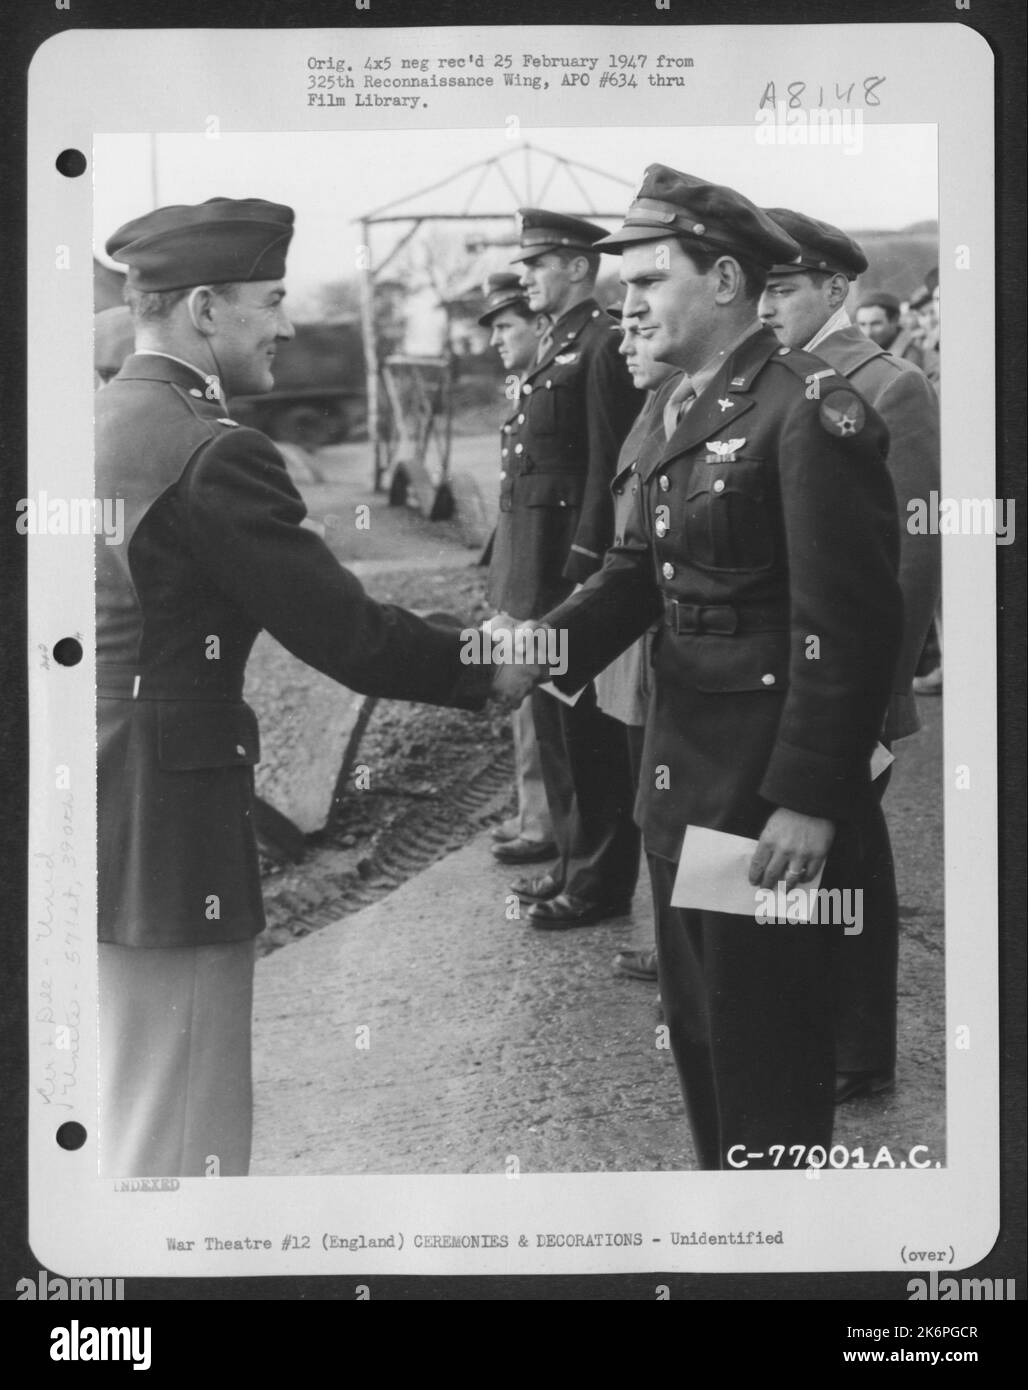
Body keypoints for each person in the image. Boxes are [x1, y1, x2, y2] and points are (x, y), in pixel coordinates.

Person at [495, 165, 903, 1169]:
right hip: (681, 791)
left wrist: (809, 800)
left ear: (722, 280)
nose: (624, 304)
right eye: (621, 284)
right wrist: (522, 655)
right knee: (703, 1044)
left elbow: (845, 627)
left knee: (763, 1054)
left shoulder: (809, 412)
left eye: (647, 282)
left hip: (762, 808)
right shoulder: (691, 406)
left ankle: (779, 1255)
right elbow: (635, 577)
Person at [95, 197, 491, 1178]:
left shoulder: (99, 418)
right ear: (200, 307)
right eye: (270, 301)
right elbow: (346, 632)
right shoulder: (213, 449)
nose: (283, 324)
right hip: (172, 807)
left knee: (133, 1080)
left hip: (100, 790)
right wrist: (486, 664)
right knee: (182, 1113)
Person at [759, 207, 941, 1103]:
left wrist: (872, 702)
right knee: (795, 864)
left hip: (849, 678)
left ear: (837, 287)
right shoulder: (766, 377)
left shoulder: (889, 385)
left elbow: (907, 560)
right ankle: (803, 1026)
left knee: (853, 858)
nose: (767, 307)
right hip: (785, 667)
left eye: (784, 289)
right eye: (758, 288)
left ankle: (859, 1048)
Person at [495, 209, 645, 929]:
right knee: (555, 735)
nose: (525, 277)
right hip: (537, 572)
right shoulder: (555, 345)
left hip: (571, 574)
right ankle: (568, 863)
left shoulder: (603, 344)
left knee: (588, 739)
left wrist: (588, 566)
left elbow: (608, 465)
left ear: (580, 266)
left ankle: (599, 883)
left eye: (538, 264)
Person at [600, 315, 679, 984]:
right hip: (639, 638)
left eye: (638, 331)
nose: (624, 346)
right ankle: (674, 949)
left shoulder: (687, 410)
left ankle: (690, 960)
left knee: (685, 815)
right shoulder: (655, 407)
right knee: (652, 803)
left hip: (675, 645)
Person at [477, 273, 557, 866]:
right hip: (518, 568)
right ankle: (534, 811)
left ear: (541, 325)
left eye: (506, 326)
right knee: (523, 702)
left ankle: (546, 820)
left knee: (541, 701)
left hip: (546, 572)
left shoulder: (566, 376)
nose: (496, 340)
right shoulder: (529, 386)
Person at [855, 289, 931, 373]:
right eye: (862, 324)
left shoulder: (914, 356)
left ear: (895, 320)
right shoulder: (858, 353)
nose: (868, 332)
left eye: (876, 324)